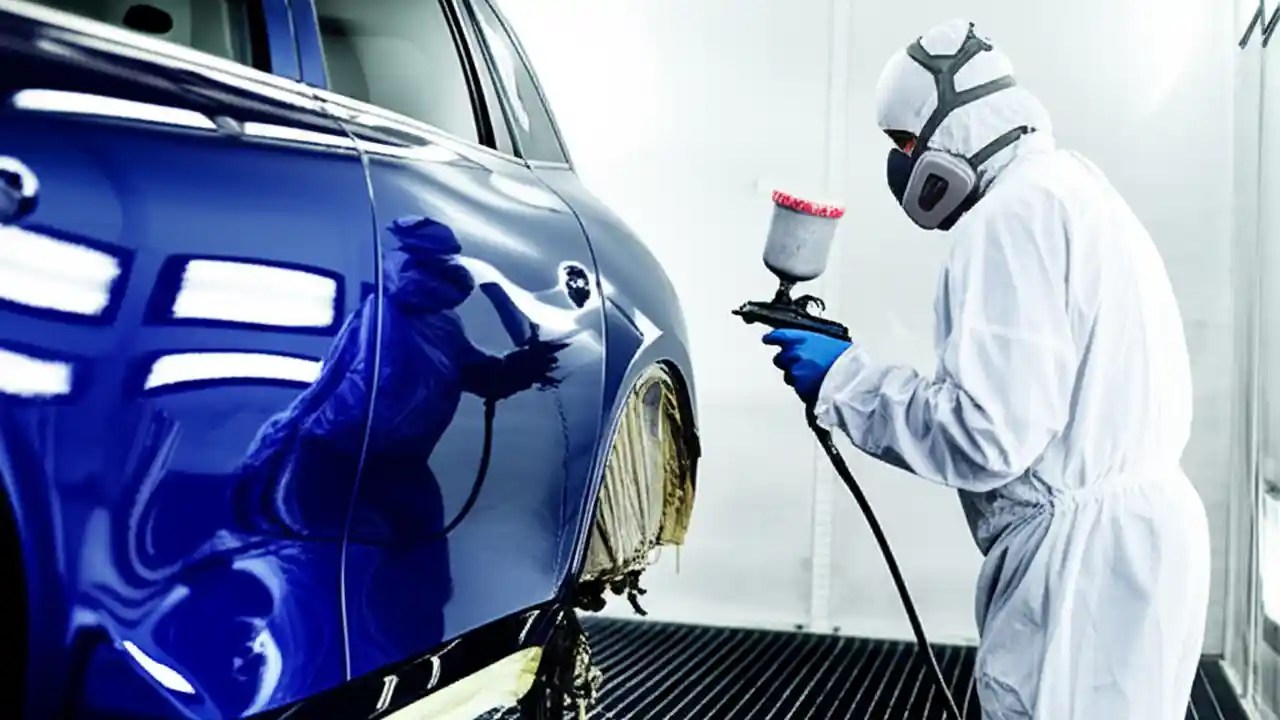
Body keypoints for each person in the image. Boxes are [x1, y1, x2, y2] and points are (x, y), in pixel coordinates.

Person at [762, 18, 1211, 719]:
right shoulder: (1069, 186)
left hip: (1080, 570)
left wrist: (844, 380)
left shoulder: (1008, 218)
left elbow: (988, 435)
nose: (902, 165)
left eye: (905, 144)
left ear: (953, 133)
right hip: (1143, 547)